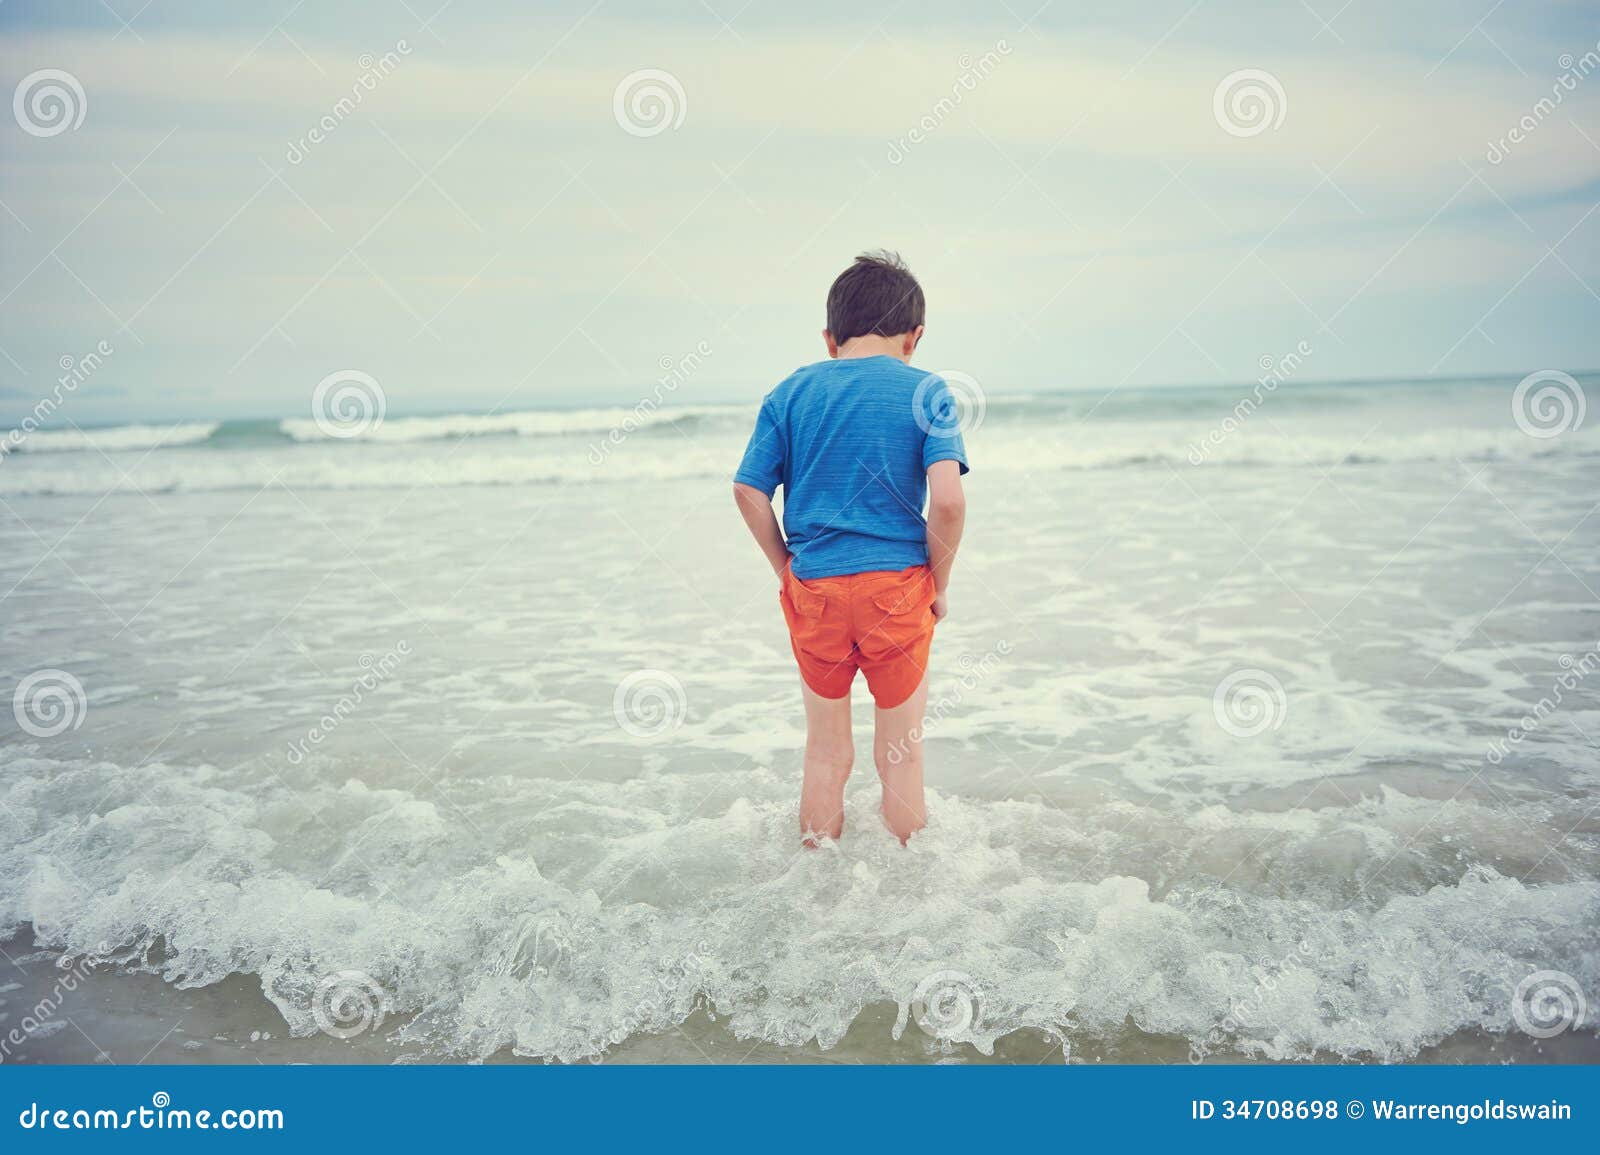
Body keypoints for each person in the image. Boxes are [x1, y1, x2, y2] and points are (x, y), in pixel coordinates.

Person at [732, 250, 969, 847]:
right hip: (898, 590)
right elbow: (948, 503)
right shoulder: (927, 391)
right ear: (914, 337)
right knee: (901, 755)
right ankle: (914, 882)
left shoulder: (790, 393)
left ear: (830, 338)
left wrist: (785, 568)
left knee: (825, 752)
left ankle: (813, 875)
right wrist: (939, 586)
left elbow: (747, 490)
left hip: (816, 589)